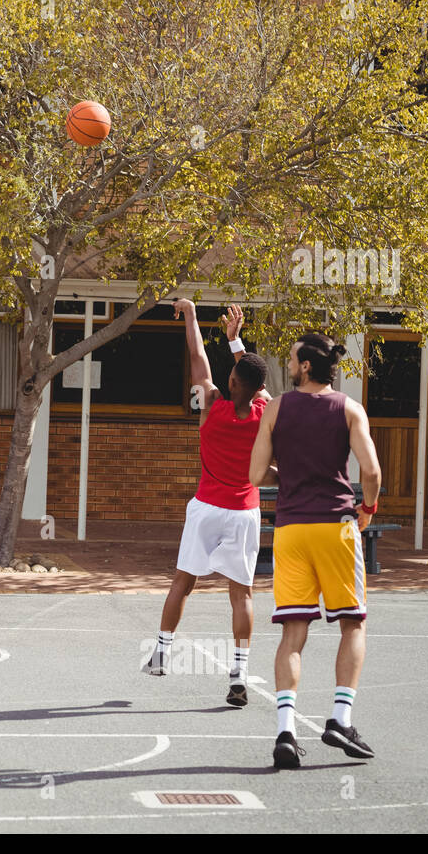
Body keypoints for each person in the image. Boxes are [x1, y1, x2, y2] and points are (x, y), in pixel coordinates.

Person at [249, 333, 382, 769]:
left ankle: (285, 731)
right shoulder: (349, 409)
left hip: (290, 529)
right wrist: (366, 510)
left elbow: (255, 475)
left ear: (305, 366)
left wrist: (289, 470)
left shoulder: (277, 409)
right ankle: (340, 719)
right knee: (352, 624)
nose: (287, 365)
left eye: (291, 359)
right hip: (336, 527)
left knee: (292, 633)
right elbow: (371, 470)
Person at [144, 302, 271, 707]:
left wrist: (192, 314)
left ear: (231, 381)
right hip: (244, 511)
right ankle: (239, 674)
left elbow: (198, 356)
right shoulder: (265, 411)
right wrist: (235, 342)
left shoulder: (212, 405)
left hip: (207, 508)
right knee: (242, 594)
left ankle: (162, 652)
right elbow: (255, 379)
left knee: (184, 581)